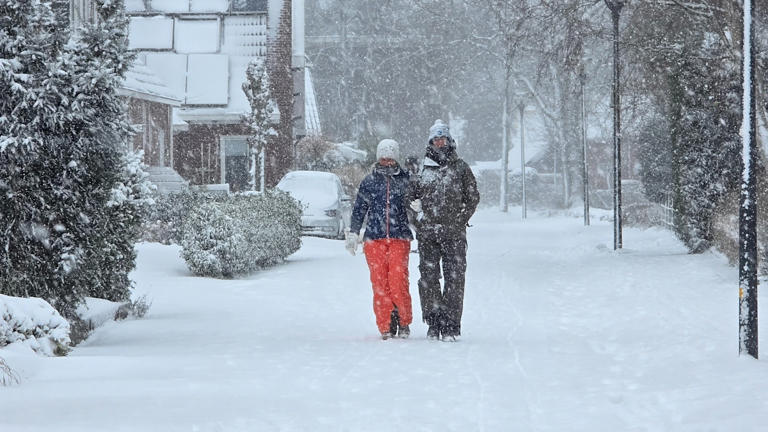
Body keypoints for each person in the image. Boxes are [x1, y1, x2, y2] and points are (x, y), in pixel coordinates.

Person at [409, 119, 480, 341]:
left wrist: (460, 219)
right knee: (428, 279)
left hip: (454, 234)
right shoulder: (422, 169)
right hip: (428, 234)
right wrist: (418, 217)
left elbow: (473, 197)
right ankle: (434, 322)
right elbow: (409, 197)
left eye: (443, 138)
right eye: (436, 139)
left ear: (449, 141)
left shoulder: (460, 168)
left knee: (455, 279)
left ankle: (451, 325)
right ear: (431, 142)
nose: (440, 142)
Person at [346, 139, 414, 340]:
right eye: (383, 158)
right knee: (379, 284)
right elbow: (359, 209)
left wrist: (418, 208)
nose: (387, 162)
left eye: (391, 158)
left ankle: (403, 322)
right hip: (374, 239)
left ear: (396, 159)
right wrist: (353, 232)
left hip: (399, 237)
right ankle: (384, 326)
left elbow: (415, 206)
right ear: (378, 158)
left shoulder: (406, 180)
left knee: (398, 281)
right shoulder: (369, 182)